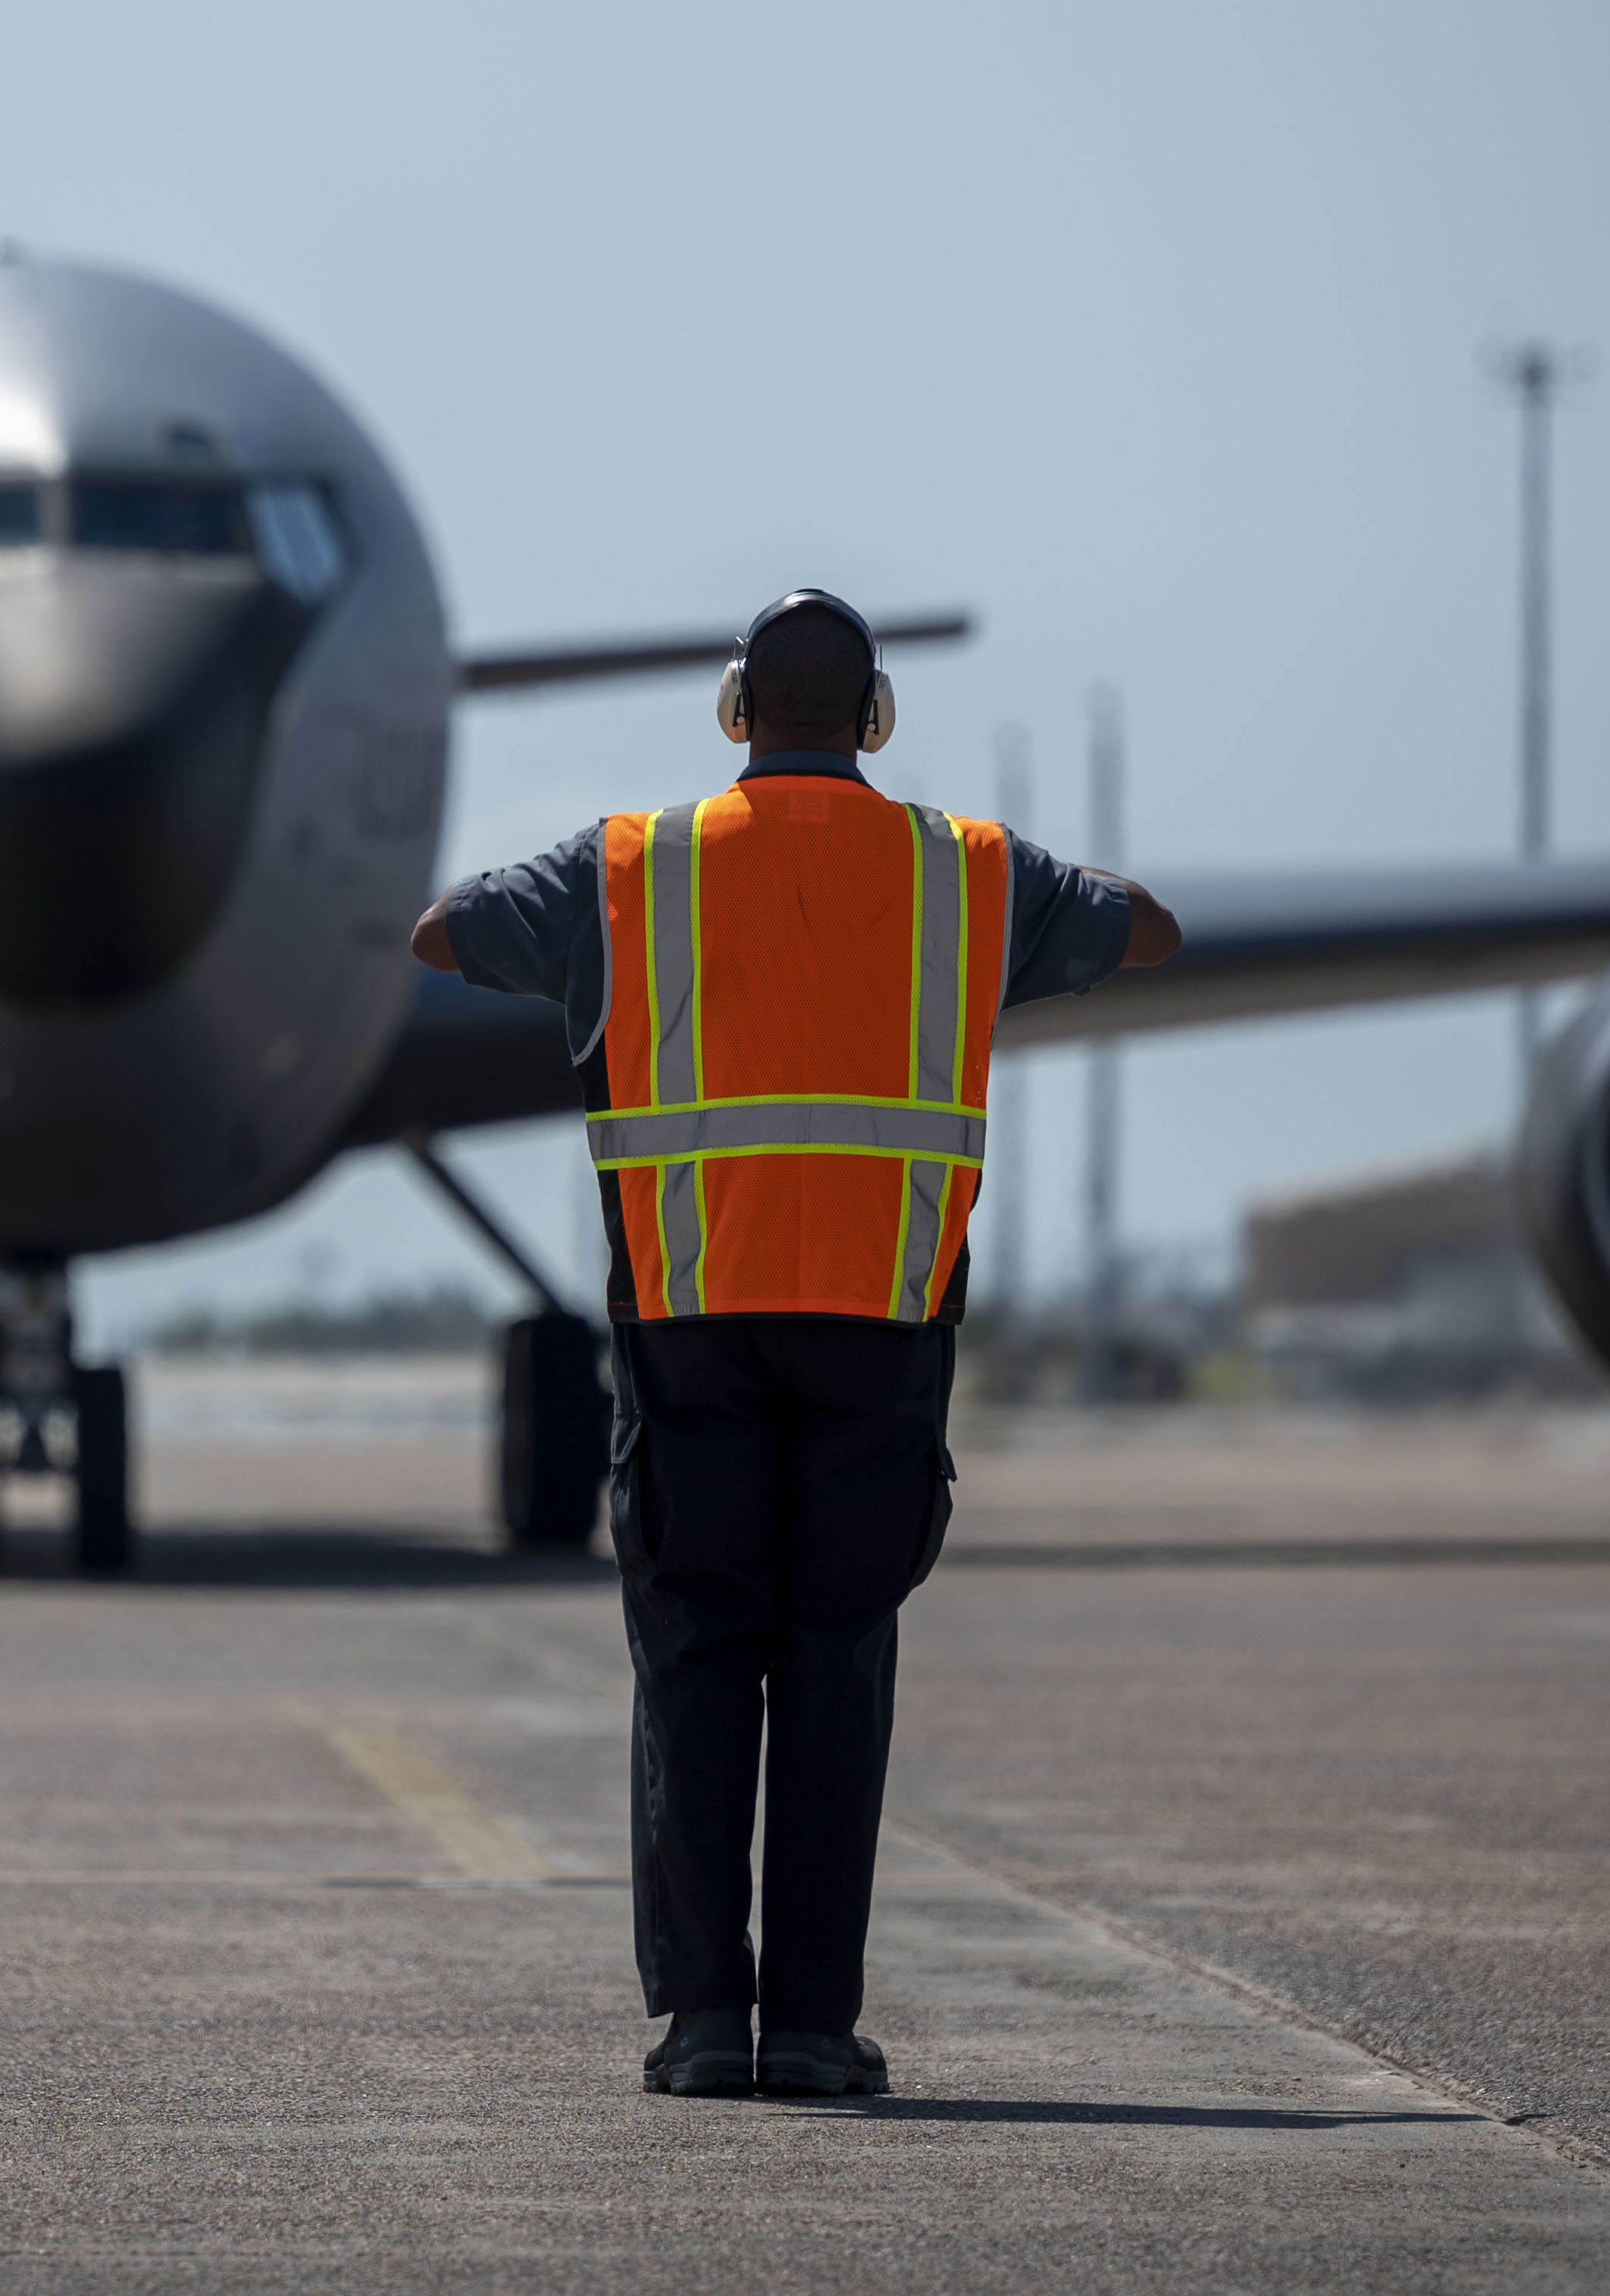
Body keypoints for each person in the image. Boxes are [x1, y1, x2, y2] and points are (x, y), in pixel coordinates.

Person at [412, 590, 1180, 2098]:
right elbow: (1149, 928)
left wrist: (583, 946)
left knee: (697, 1651)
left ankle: (704, 2024)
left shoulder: (634, 867)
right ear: (877, 715)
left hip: (694, 1317)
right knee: (837, 1659)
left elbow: (444, 932)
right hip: (878, 1324)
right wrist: (1044, 895)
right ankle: (815, 2030)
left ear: (733, 710)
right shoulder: (967, 872)